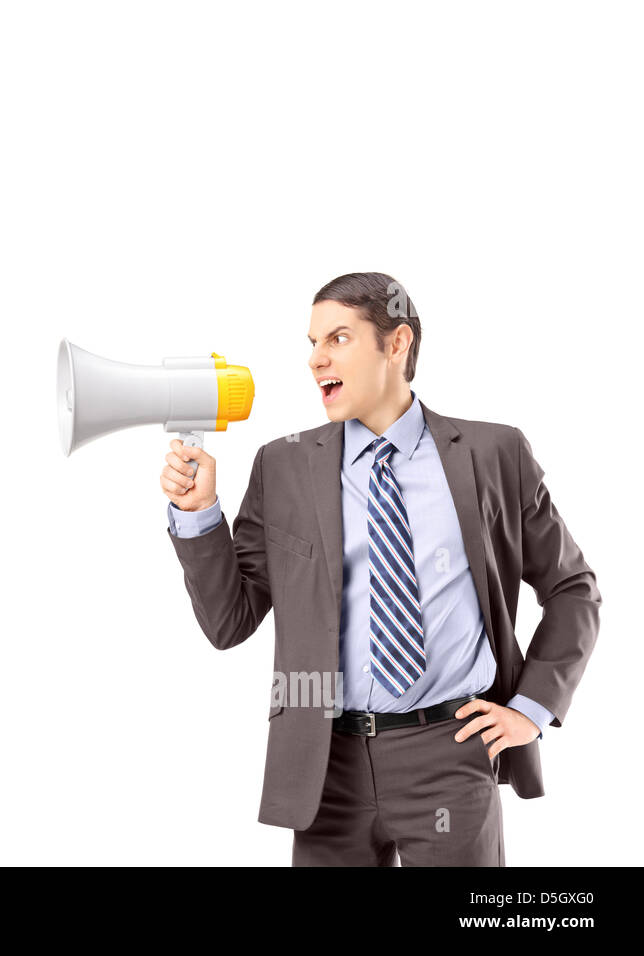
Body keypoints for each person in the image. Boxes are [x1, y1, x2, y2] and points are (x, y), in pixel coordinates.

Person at [161, 273, 600, 866]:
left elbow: (573, 588)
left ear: (397, 344)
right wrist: (198, 515)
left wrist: (531, 709)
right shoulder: (284, 465)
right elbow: (229, 622)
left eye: (337, 338)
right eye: (312, 343)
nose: (316, 360)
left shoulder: (494, 453)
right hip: (326, 765)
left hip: (451, 752)